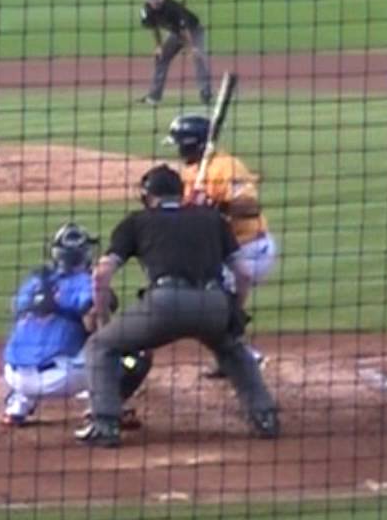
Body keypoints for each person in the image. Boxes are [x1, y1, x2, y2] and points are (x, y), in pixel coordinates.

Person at [76, 165, 279, 448]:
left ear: (148, 196)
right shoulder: (213, 220)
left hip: (164, 306)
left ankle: (105, 423)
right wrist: (234, 311)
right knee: (232, 348)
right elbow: (243, 274)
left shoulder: (136, 222)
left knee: (101, 346)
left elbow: (101, 274)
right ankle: (265, 416)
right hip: (213, 304)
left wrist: (102, 315)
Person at [0, 223, 151, 428]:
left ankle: (17, 406)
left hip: (12, 372)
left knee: (35, 339)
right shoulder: (84, 282)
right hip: (59, 379)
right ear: (85, 254)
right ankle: (106, 407)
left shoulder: (35, 280)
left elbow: (17, 312)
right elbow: (92, 323)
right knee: (133, 353)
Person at [166, 113, 277, 376]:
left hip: (251, 248)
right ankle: (232, 353)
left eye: (180, 144)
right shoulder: (191, 172)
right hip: (224, 253)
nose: (178, 151)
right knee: (204, 303)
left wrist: (218, 204)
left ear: (192, 143)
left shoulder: (228, 167)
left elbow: (251, 207)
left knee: (210, 302)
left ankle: (242, 355)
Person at [137, 0, 213, 106]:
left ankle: (206, 93)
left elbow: (185, 31)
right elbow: (154, 28)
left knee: (197, 57)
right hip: (176, 33)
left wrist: (192, 48)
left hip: (193, 31)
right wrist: (158, 46)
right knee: (161, 58)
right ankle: (154, 96)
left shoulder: (172, 7)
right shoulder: (147, 10)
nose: (155, 0)